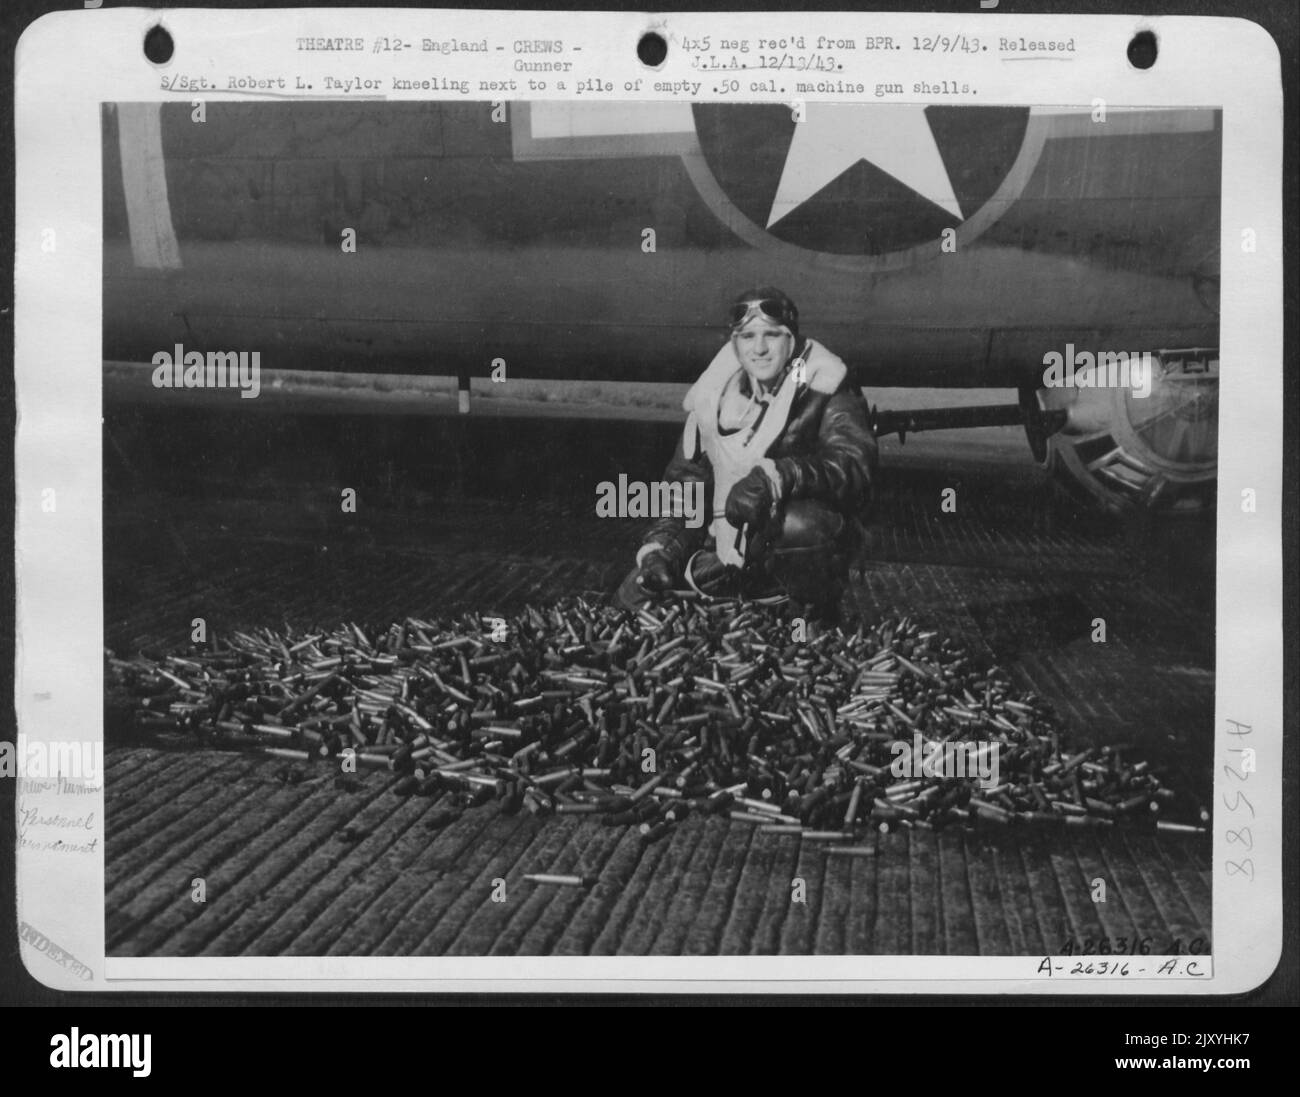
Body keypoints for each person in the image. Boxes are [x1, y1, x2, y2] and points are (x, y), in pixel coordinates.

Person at [617, 287, 877, 620]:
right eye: (747, 336)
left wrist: (779, 476)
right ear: (735, 344)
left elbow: (854, 465)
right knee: (630, 601)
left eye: (773, 335)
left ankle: (810, 620)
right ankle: (738, 605)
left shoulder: (824, 385)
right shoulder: (713, 397)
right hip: (723, 550)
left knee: (800, 526)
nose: (760, 348)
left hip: (781, 547)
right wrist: (661, 551)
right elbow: (684, 491)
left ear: (791, 341)